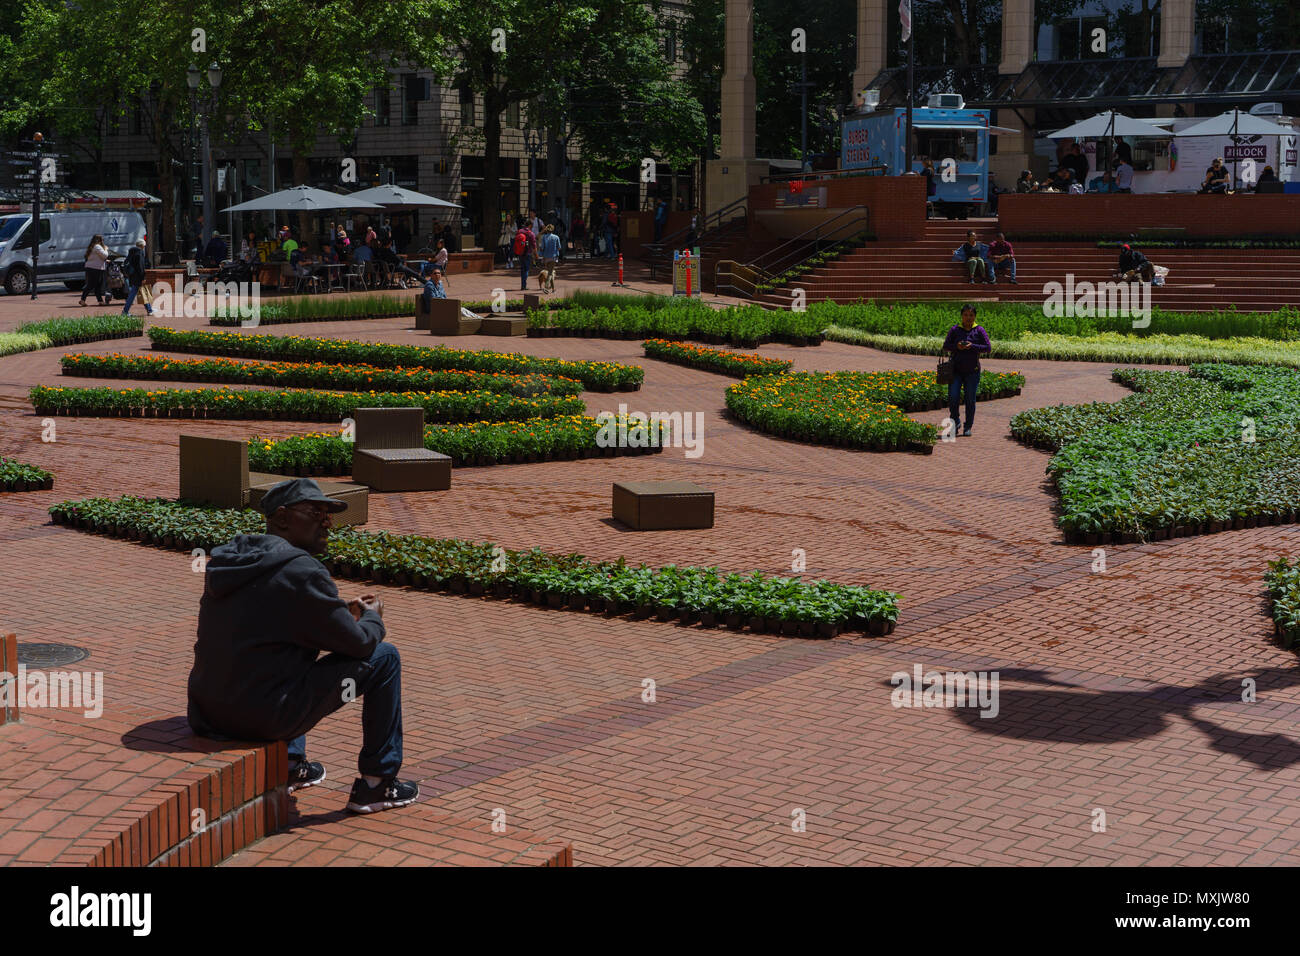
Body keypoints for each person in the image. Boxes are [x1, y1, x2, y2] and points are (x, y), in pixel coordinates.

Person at [187, 478, 418, 814]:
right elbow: (359, 645)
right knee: (385, 657)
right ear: (281, 517)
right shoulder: (300, 570)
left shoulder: (231, 561)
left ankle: (291, 763)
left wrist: (337, 615)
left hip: (209, 713)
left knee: (281, 657)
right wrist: (372, 618)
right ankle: (376, 784)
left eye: (329, 514)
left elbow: (280, 623)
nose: (327, 521)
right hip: (261, 718)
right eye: (315, 511)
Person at [942, 304, 992, 438]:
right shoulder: (955, 330)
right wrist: (957, 346)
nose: (968, 318)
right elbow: (946, 346)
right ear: (961, 316)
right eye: (965, 315)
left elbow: (988, 347)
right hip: (956, 371)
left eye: (971, 315)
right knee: (953, 398)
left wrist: (973, 346)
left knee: (970, 399)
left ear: (975, 316)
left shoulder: (979, 330)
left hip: (972, 372)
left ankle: (968, 426)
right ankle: (956, 422)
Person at [121, 238, 153, 317]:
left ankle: (149, 310)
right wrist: (143, 277)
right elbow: (140, 267)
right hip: (138, 276)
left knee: (141, 292)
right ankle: (125, 311)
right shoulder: (140, 253)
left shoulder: (131, 252)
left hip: (132, 276)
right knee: (134, 294)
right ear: (142, 246)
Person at [79, 235, 110, 306]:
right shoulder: (97, 246)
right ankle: (82, 299)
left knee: (97, 285)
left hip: (93, 268)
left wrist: (105, 260)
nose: (103, 241)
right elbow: (105, 255)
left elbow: (97, 257)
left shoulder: (92, 246)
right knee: (91, 285)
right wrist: (106, 249)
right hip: (95, 268)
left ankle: (100, 301)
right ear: (100, 240)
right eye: (102, 240)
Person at [513, 217, 536, 290]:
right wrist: (536, 254)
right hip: (527, 253)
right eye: (531, 226)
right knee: (526, 270)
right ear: (530, 225)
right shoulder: (531, 233)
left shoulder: (519, 231)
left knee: (522, 269)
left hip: (520, 252)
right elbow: (534, 245)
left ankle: (523, 285)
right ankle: (524, 286)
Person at [538, 223, 561, 293]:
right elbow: (559, 247)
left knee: (549, 272)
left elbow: (542, 248)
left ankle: (553, 289)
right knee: (550, 273)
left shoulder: (543, 237)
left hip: (546, 257)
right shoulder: (556, 237)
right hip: (553, 257)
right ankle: (546, 287)